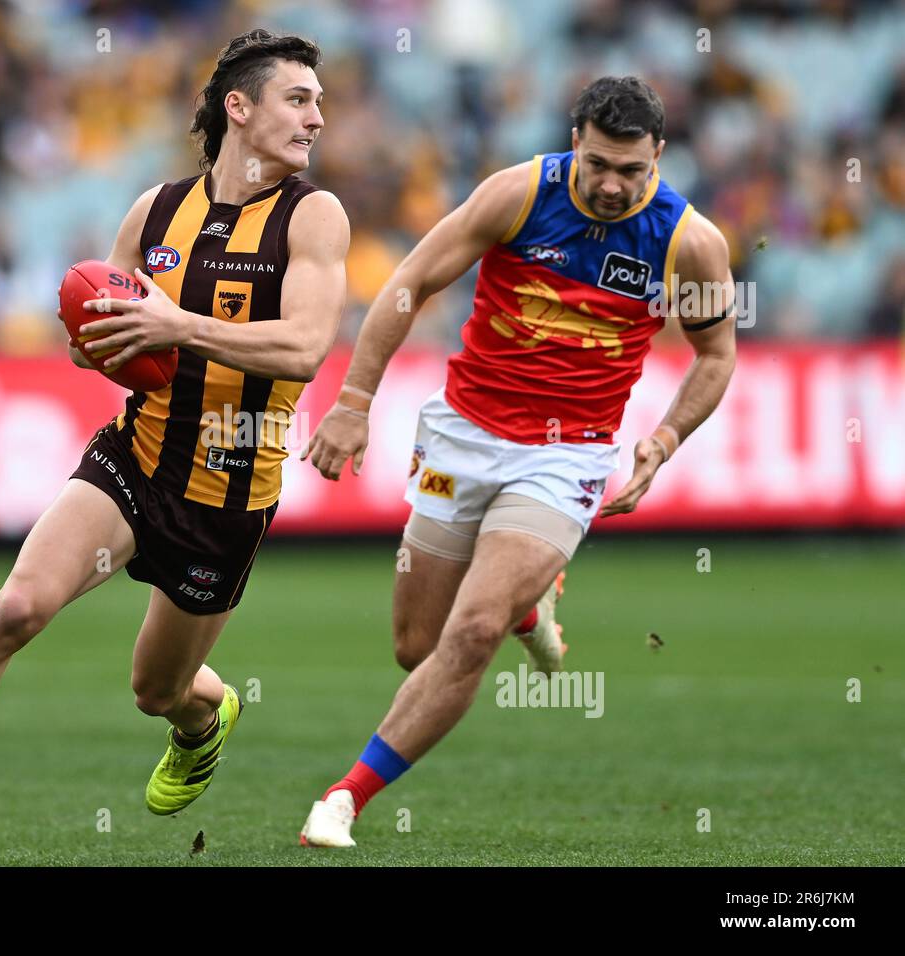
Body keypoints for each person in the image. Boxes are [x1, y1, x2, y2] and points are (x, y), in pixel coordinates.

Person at [0, 29, 349, 853]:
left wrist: (175, 324)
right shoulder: (158, 209)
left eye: (318, 101)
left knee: (156, 690)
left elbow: (307, 347)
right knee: (16, 608)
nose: (317, 117)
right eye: (299, 99)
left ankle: (204, 717)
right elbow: (99, 333)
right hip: (133, 460)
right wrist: (103, 337)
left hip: (227, 497)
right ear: (240, 108)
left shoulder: (314, 216)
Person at [297, 75, 736, 848]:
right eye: (598, 164)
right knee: (416, 647)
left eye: (631, 171)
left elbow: (715, 356)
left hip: (566, 458)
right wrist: (354, 400)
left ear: (660, 156)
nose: (611, 184)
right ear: (575, 141)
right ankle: (529, 606)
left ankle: (344, 797)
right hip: (463, 437)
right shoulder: (519, 195)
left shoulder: (688, 241)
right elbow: (411, 283)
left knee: (471, 633)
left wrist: (662, 442)